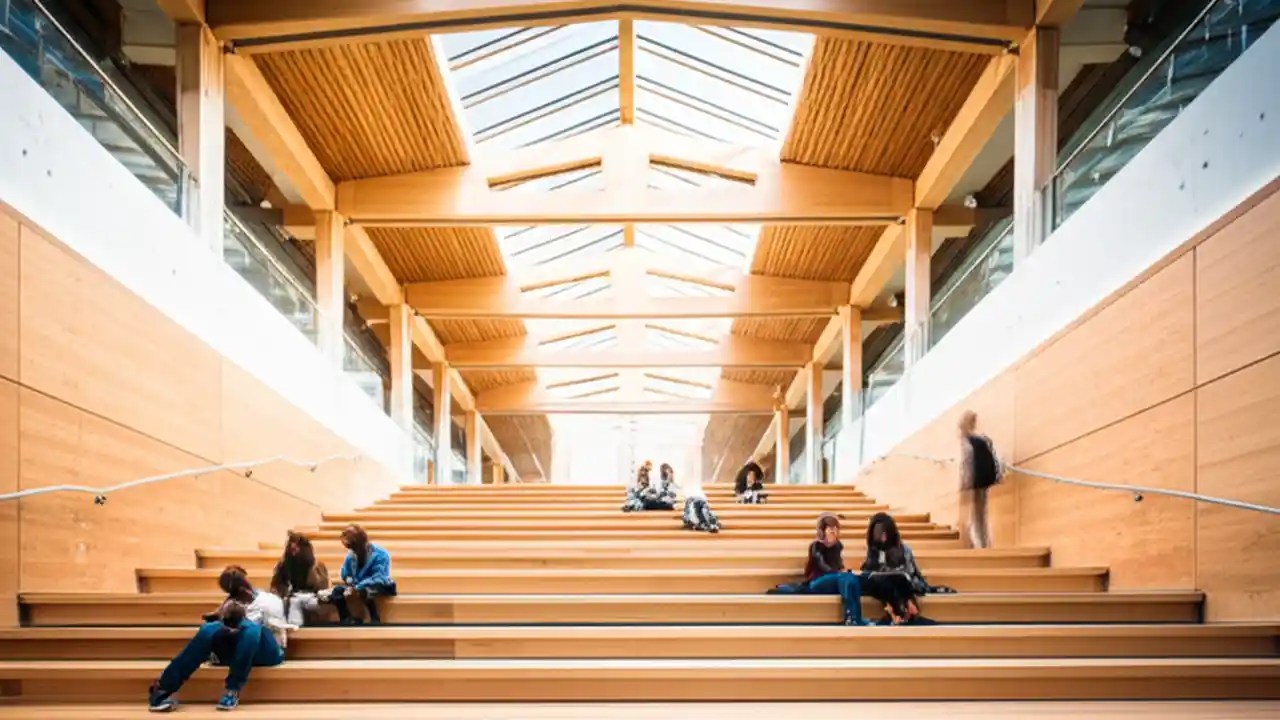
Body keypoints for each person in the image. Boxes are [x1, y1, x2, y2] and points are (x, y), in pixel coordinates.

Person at [148, 567, 286, 712]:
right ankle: (163, 689)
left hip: (267, 650)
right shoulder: (229, 603)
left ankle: (231, 690)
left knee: (251, 629)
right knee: (208, 629)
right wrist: (223, 620)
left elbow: (277, 632)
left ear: (245, 584)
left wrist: (242, 620)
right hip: (236, 652)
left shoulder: (269, 600)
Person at [768, 514, 868, 625]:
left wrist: (841, 572)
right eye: (830, 529)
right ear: (822, 531)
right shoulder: (816, 546)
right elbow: (823, 566)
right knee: (845, 577)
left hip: (835, 581)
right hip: (817, 581)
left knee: (850, 578)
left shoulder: (838, 546)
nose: (833, 532)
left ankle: (855, 617)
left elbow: (837, 566)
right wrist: (839, 573)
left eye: (835, 529)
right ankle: (852, 617)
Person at [860, 512, 926, 624]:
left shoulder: (903, 550)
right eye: (879, 533)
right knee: (882, 580)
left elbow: (909, 572)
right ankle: (904, 606)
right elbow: (871, 572)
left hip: (902, 583)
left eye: (885, 533)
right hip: (882, 586)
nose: (883, 537)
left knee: (898, 579)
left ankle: (899, 610)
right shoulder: (873, 552)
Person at [325, 525, 396, 625]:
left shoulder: (381, 554)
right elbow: (345, 573)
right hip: (357, 585)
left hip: (378, 585)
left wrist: (358, 586)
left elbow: (379, 577)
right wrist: (349, 581)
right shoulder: (351, 554)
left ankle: (374, 618)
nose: (351, 551)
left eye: (352, 547)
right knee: (337, 591)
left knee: (365, 591)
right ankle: (346, 619)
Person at [958, 410, 1002, 549]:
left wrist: (964, 483)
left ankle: (978, 544)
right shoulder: (980, 439)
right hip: (983, 481)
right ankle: (983, 543)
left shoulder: (967, 441)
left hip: (974, 482)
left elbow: (967, 463)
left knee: (975, 515)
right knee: (981, 514)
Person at [270, 531, 330, 627]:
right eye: (291, 549)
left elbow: (322, 588)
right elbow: (277, 585)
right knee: (291, 602)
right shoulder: (284, 565)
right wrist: (283, 593)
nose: (293, 553)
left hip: (312, 597)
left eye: (296, 549)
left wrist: (313, 574)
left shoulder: (317, 565)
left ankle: (296, 628)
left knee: (296, 602)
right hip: (292, 596)